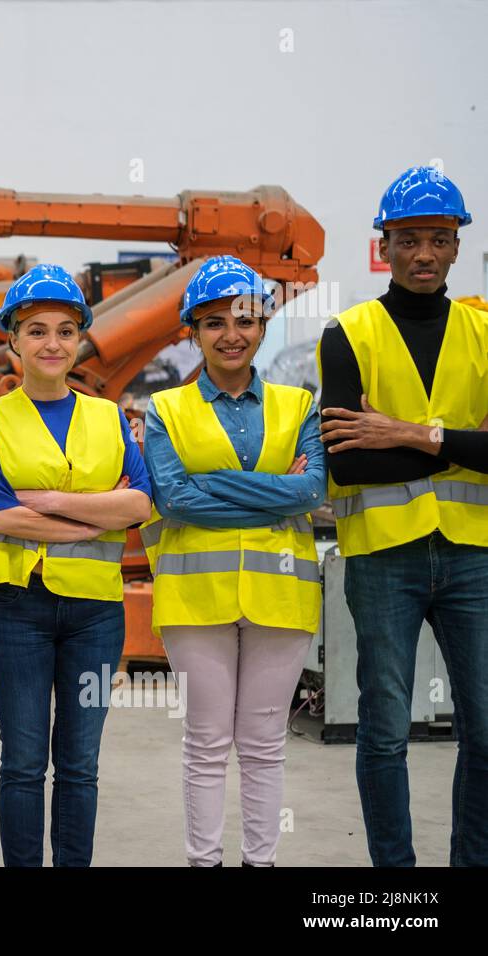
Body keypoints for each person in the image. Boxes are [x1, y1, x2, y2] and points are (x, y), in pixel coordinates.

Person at [317, 166, 488, 867]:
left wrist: (412, 435)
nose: (424, 253)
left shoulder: (483, 333)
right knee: (385, 732)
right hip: (383, 555)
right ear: (382, 247)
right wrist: (461, 446)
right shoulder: (347, 334)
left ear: (456, 249)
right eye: (410, 239)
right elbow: (351, 464)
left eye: (439, 240)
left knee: (484, 731)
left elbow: (385, 449)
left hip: (475, 556)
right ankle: (397, 879)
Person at [142, 255, 324, 867]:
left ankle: (260, 861)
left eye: (244, 320)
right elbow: (174, 499)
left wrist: (214, 485)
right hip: (196, 600)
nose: (231, 334)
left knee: (264, 744)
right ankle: (205, 861)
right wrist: (276, 496)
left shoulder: (300, 405)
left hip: (282, 595)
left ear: (263, 326)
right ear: (193, 331)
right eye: (213, 321)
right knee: (206, 743)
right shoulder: (165, 409)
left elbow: (313, 491)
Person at [0, 264, 152, 866]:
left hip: (95, 613)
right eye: (38, 330)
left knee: (80, 764)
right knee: (23, 761)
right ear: (13, 340)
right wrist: (99, 516)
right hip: (15, 609)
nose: (52, 343)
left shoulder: (109, 415)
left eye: (66, 331)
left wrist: (49, 502)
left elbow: (140, 503)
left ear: (79, 340)